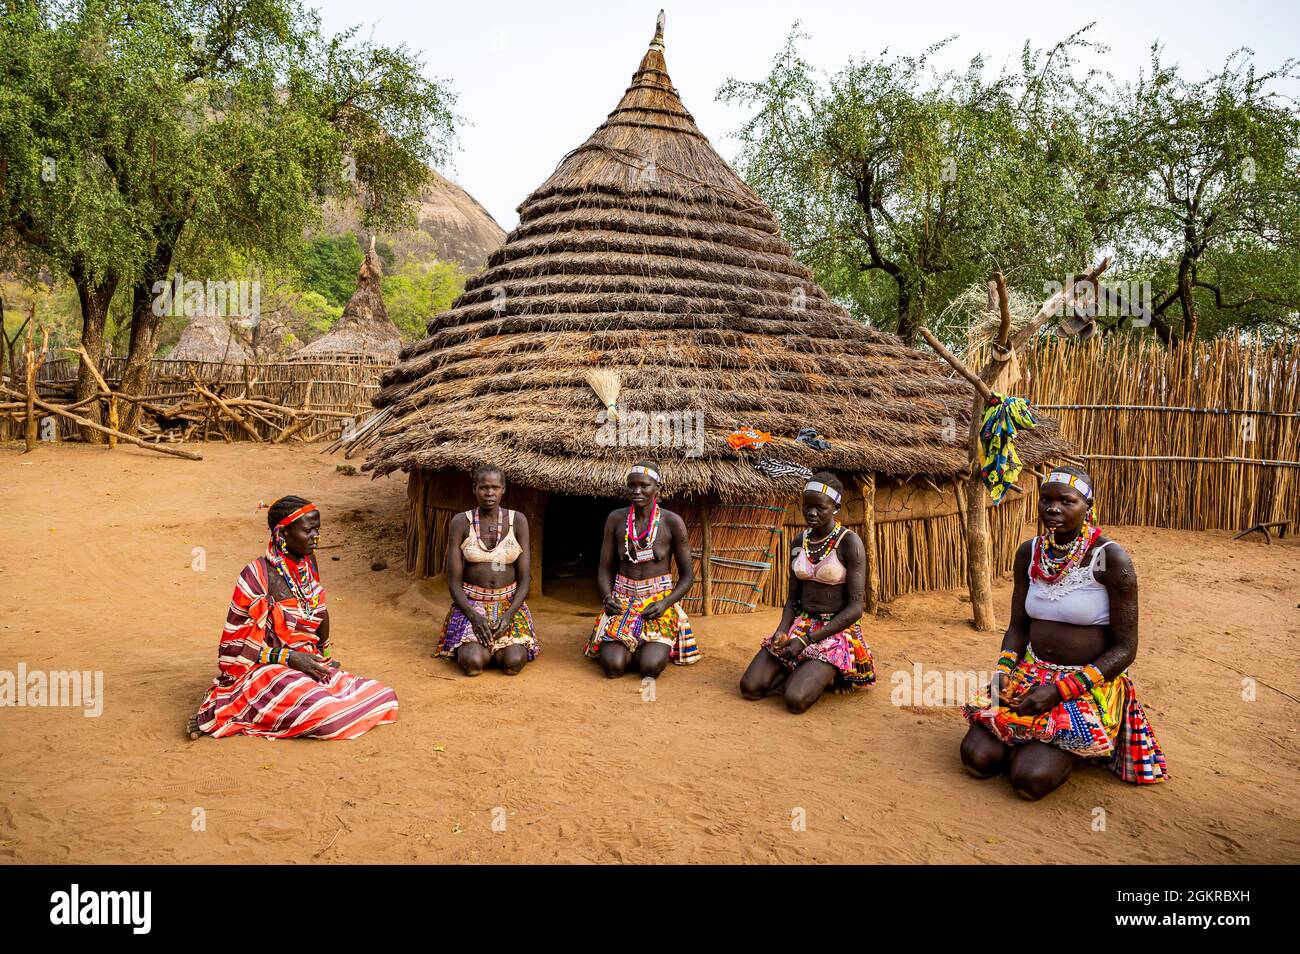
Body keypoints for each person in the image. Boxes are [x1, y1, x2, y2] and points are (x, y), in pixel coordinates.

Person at [959, 466, 1168, 798]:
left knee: (1028, 782)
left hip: (1085, 683)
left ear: (1089, 506)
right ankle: (1033, 742)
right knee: (976, 760)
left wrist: (1059, 691)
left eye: (1066, 501)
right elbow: (1018, 627)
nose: (1053, 509)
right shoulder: (1030, 553)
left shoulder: (1111, 558)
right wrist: (1002, 672)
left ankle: (1059, 747)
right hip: (1031, 674)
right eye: (1046, 500)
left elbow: (1126, 649)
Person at [188, 496, 398, 740]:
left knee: (385, 697)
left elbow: (319, 612)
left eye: (318, 529)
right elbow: (233, 649)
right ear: (282, 534)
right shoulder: (256, 575)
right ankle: (225, 710)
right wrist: (289, 657)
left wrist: (324, 657)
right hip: (264, 669)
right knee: (328, 716)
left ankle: (300, 698)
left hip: (306, 660)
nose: (316, 537)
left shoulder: (308, 564)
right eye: (308, 530)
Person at [739, 472, 875, 713]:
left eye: (819, 508)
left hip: (836, 631)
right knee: (750, 688)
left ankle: (831, 669)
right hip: (801, 626)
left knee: (795, 700)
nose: (811, 513)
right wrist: (782, 630)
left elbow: (855, 610)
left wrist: (806, 641)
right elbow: (793, 599)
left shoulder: (849, 543)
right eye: (807, 507)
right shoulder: (798, 542)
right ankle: (802, 668)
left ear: (836, 507)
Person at [584, 461, 699, 676]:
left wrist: (666, 603)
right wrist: (607, 597)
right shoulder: (616, 519)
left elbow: (687, 577)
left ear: (658, 488)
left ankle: (645, 647)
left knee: (650, 668)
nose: (637, 491)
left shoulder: (672, 522)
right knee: (613, 667)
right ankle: (630, 646)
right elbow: (604, 569)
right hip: (622, 602)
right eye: (632, 485)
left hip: (656, 603)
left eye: (644, 485)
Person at [437, 464, 539, 675]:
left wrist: (510, 615)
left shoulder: (517, 521)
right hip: (471, 604)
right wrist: (473, 616)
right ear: (474, 489)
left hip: (508, 605)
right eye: (484, 487)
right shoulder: (461, 522)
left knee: (513, 663)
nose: (490, 493)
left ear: (504, 489)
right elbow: (454, 582)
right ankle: (475, 647)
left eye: (495, 487)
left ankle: (498, 647)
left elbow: (524, 579)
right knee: (473, 663)